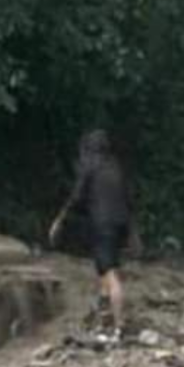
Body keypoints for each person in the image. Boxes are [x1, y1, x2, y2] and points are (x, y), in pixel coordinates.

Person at [47, 129, 136, 337]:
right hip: (119, 224)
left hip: (102, 224)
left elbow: (77, 197)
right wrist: (132, 232)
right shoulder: (116, 168)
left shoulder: (90, 167)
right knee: (104, 271)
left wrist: (60, 220)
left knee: (111, 274)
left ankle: (118, 326)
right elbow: (129, 200)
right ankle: (104, 319)